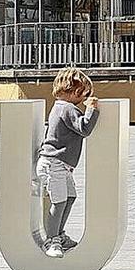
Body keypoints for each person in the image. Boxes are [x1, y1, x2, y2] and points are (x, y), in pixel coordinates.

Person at [36, 67, 100, 258]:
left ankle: (59, 235)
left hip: (61, 164)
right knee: (59, 201)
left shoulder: (61, 107)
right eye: (83, 94)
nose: (84, 98)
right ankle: (52, 240)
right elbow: (85, 128)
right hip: (54, 163)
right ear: (74, 90)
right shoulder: (67, 108)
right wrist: (92, 109)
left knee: (69, 198)